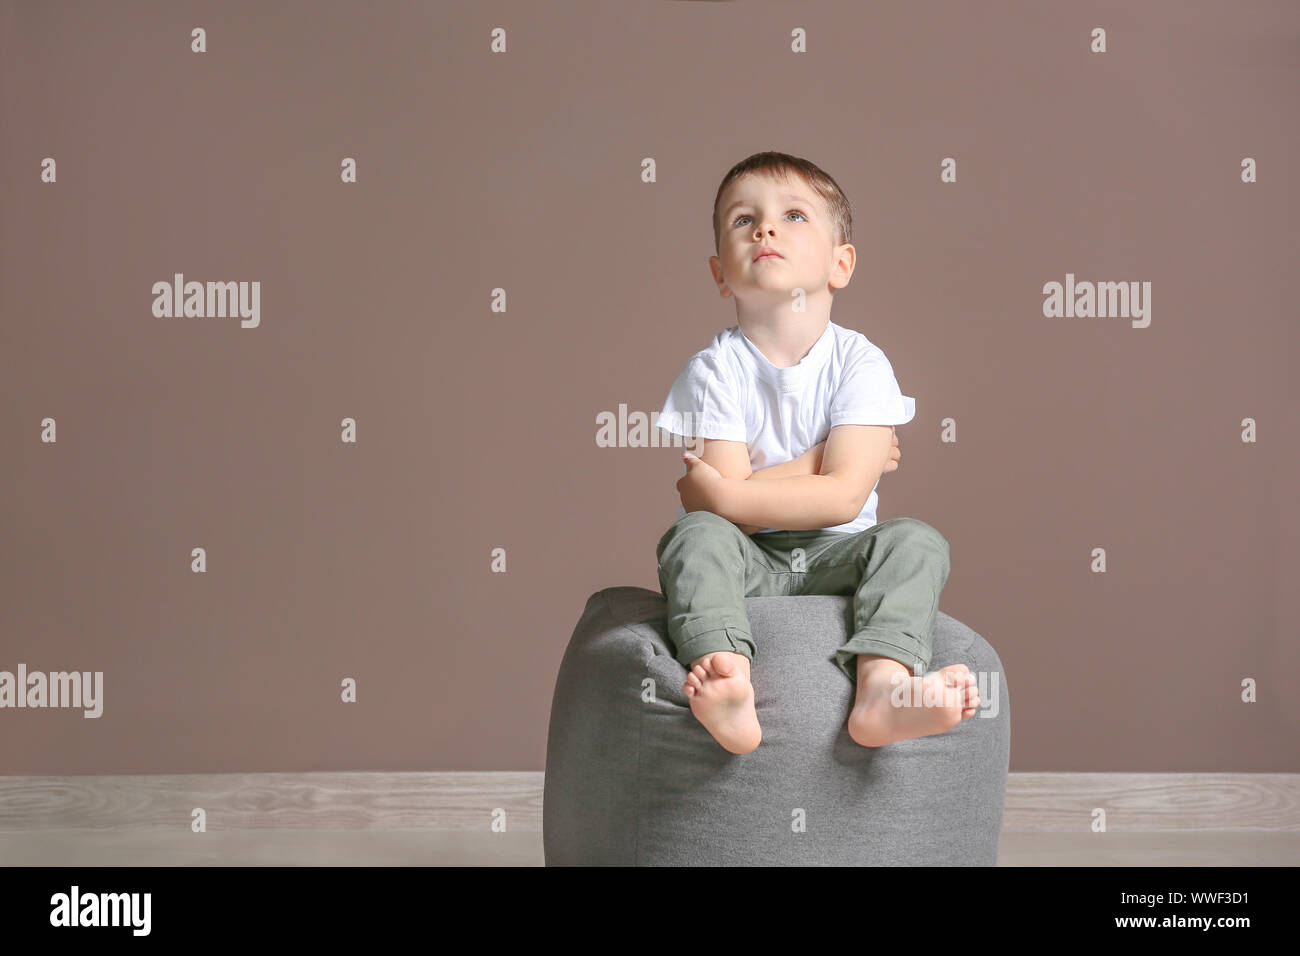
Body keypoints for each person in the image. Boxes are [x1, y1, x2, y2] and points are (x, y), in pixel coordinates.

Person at [655, 151, 979, 755]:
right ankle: (728, 680)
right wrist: (821, 461)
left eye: (793, 215)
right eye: (743, 220)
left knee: (916, 541)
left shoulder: (861, 362)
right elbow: (729, 516)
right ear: (720, 273)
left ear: (841, 263)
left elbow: (844, 498)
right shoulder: (712, 371)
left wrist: (737, 489)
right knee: (694, 538)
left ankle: (883, 691)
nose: (765, 229)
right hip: (745, 558)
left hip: (840, 553)